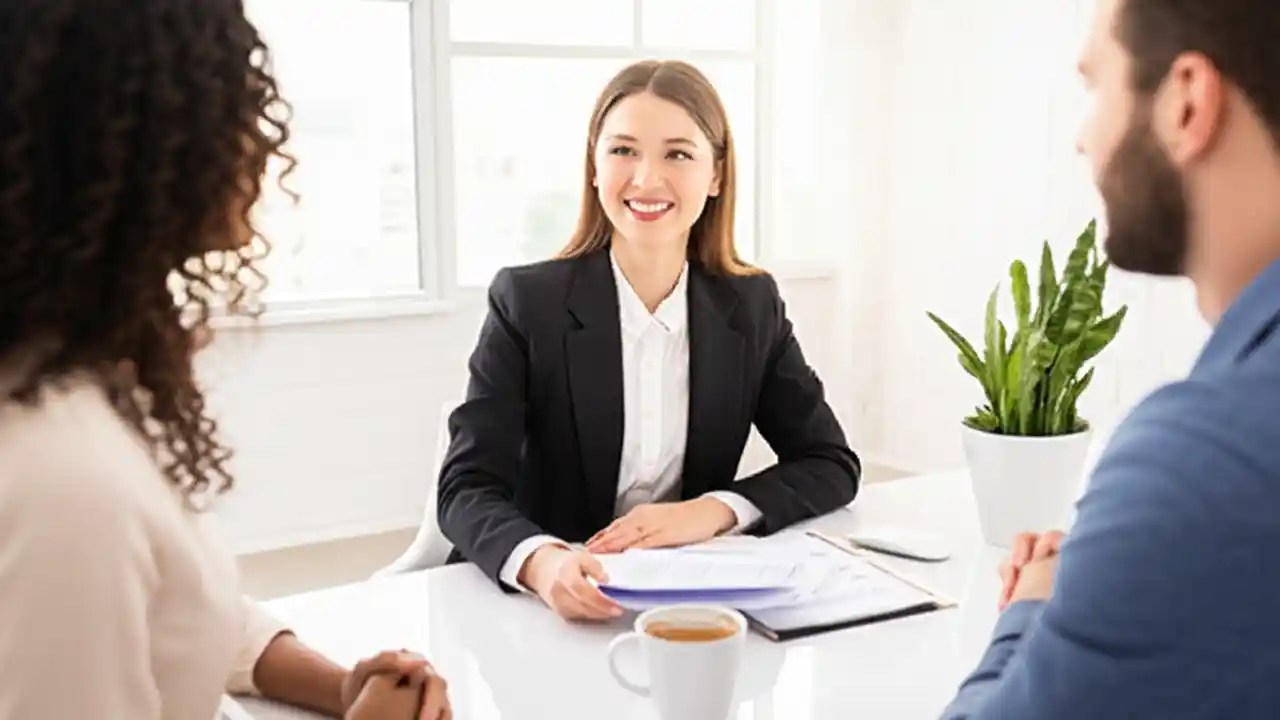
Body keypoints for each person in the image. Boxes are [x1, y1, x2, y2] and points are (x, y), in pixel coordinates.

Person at [0, 2, 450, 719]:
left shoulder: (80, 376)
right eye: (234, 98)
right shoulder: (62, 479)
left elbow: (170, 610)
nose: (265, 143)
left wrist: (337, 687)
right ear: (137, 134)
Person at [942, 0, 1280, 717]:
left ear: (1187, 101)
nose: (1082, 139)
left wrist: (1033, 605)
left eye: (1097, 87)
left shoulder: (1209, 451)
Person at [438, 60, 860, 621]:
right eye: (623, 151)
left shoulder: (751, 305)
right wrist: (544, 563)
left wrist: (710, 511)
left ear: (715, 175)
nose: (645, 179)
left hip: (683, 603)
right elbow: (466, 488)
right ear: (593, 164)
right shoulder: (526, 301)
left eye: (678, 154)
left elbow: (830, 462)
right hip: (537, 606)